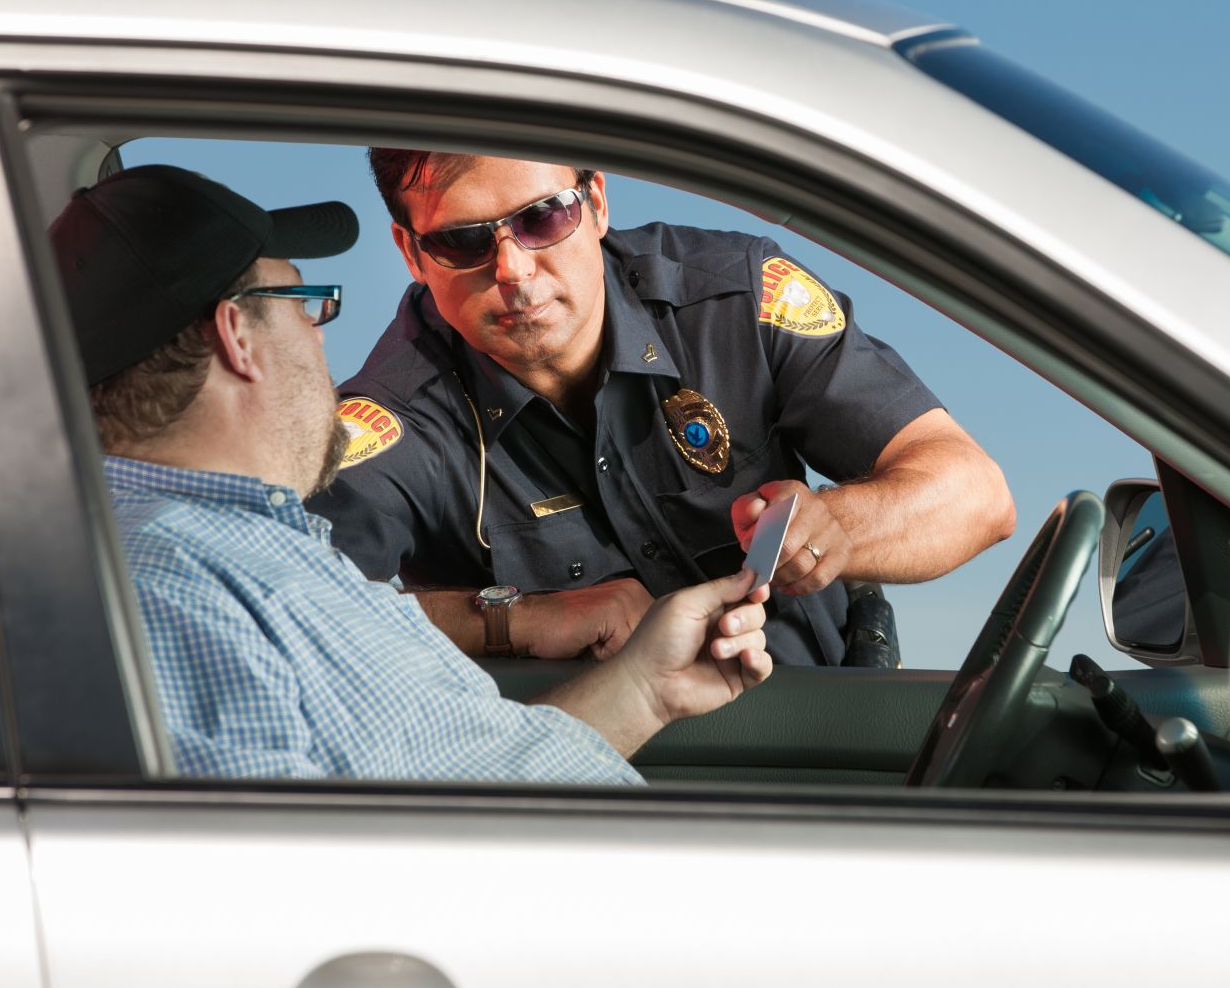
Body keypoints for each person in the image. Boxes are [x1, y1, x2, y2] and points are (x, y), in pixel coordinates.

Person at [49, 164, 771, 785]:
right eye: (305, 302)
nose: (320, 334)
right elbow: (275, 896)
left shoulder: (260, 556)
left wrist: (648, 690)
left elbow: (466, 779)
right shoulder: (167, 592)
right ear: (238, 336)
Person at [309, 150, 1016, 668]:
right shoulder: (388, 421)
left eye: (542, 218)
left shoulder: (737, 301)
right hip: (581, 798)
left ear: (596, 201)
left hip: (820, 741)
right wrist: (518, 620)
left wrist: (838, 530)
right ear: (410, 251)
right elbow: (282, 609)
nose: (514, 271)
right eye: (462, 240)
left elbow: (978, 496)